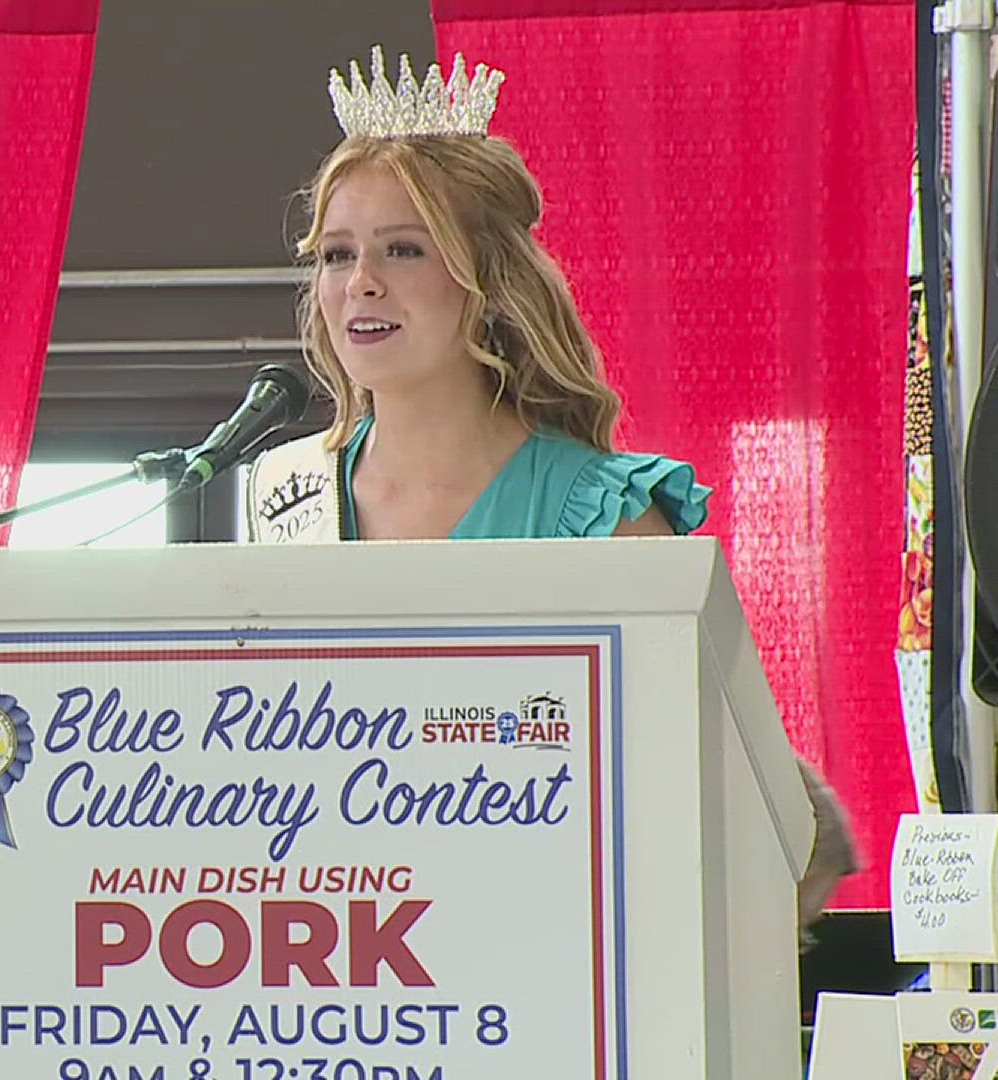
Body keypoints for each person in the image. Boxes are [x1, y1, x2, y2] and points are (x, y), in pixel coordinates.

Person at [245, 48, 857, 935]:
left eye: (403, 249)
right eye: (337, 254)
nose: (360, 282)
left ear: (486, 283)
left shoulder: (601, 515)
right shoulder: (283, 494)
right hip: (341, 969)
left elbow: (790, 832)